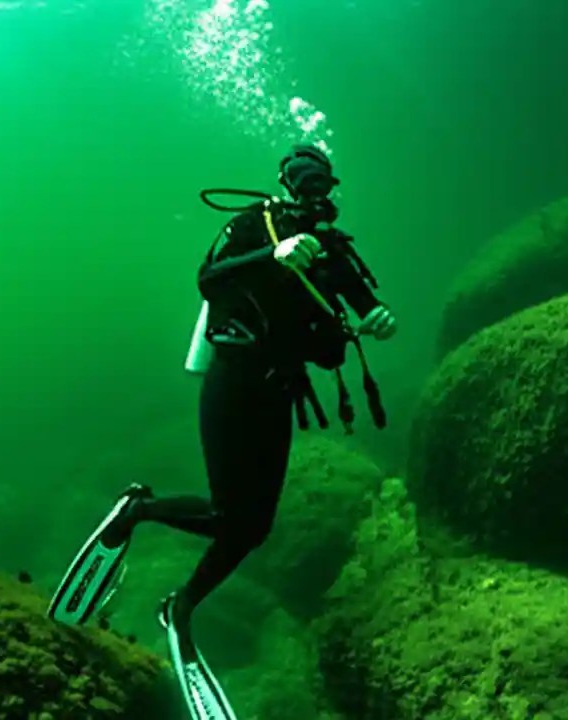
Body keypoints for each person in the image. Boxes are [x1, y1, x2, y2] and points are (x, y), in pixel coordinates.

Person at [47, 144, 397, 719]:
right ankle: (159, 563)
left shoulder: (332, 248)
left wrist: (379, 318)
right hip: (232, 386)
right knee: (234, 517)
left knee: (251, 528)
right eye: (301, 177)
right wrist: (273, 253)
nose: (313, 188)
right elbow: (209, 278)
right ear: (284, 181)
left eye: (321, 179)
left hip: (280, 394)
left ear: (331, 185)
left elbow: (363, 305)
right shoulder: (251, 226)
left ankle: (170, 582)